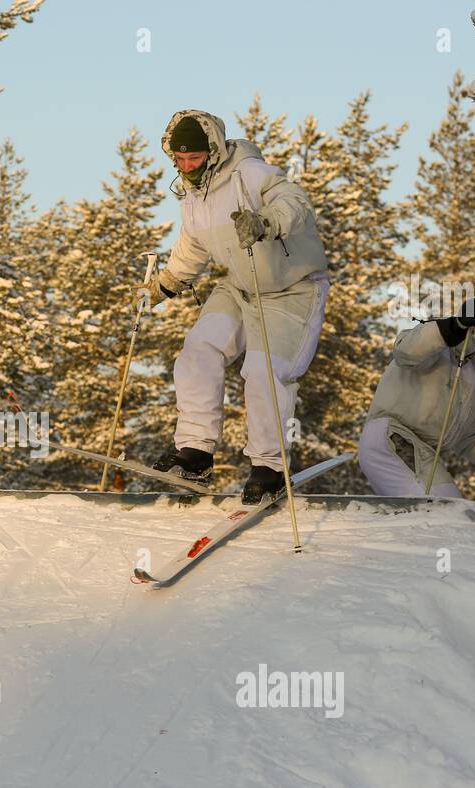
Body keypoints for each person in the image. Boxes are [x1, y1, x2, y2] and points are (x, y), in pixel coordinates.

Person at [143, 110, 330, 503]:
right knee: (198, 350)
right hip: (240, 288)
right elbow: (193, 247)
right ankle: (195, 453)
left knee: (264, 373)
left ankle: (269, 468)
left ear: (211, 151)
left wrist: (266, 221)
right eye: (180, 159)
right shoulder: (195, 197)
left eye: (194, 158)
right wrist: (165, 284)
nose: (187, 166)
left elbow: (295, 201)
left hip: (291, 290)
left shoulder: (249, 172)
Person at [358, 293, 475, 497]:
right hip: (391, 439)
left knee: (454, 514)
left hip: (420, 452)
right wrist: (453, 328)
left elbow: (468, 440)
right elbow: (405, 352)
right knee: (445, 511)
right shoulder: (441, 345)